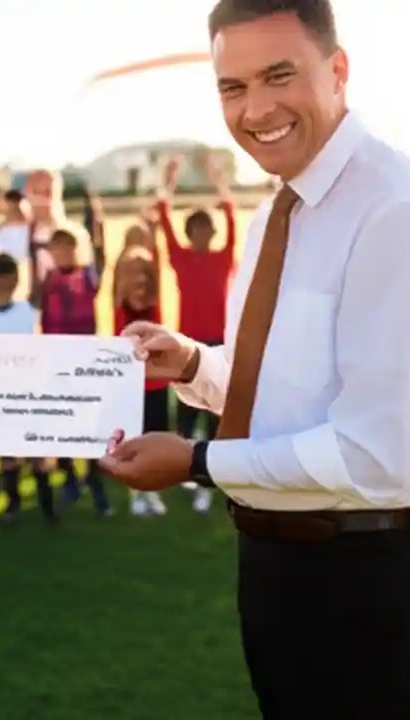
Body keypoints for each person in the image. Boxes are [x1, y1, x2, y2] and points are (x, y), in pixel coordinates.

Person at [99, 3, 410, 717]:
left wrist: (193, 463)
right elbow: (281, 391)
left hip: (371, 572)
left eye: (280, 75)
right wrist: (189, 363)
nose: (256, 109)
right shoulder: (284, 204)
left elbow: (374, 453)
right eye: (232, 87)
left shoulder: (400, 209)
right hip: (282, 561)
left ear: (337, 71)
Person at [156, 154, 239, 514]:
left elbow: (232, 214)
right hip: (188, 346)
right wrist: (170, 181)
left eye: (207, 230)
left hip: (220, 347)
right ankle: (188, 472)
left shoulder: (224, 259)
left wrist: (217, 180)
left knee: (218, 416)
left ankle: (215, 476)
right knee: (187, 414)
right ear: (190, 235)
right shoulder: (180, 258)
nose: (202, 235)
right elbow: (162, 213)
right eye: (196, 231)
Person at [36, 192, 114, 517]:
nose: (63, 251)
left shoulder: (88, 277)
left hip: (86, 365)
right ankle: (69, 477)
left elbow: (100, 254)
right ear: (51, 252)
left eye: (68, 245)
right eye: (57, 246)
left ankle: (95, 482)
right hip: (56, 364)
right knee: (64, 424)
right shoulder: (47, 280)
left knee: (90, 426)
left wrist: (96, 220)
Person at [0, 253, 57, 523]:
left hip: (30, 392)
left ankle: (47, 506)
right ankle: (12, 504)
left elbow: (40, 276)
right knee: (8, 456)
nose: (5, 280)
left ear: (18, 278)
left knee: (38, 454)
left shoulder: (28, 310)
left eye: (10, 274)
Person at [114, 246, 169, 518]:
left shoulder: (155, 305)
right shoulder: (119, 306)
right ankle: (135, 492)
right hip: (130, 388)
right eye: (132, 272)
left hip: (155, 386)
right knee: (132, 444)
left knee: (155, 442)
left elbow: (157, 269)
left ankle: (152, 491)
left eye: (144, 273)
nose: (139, 279)